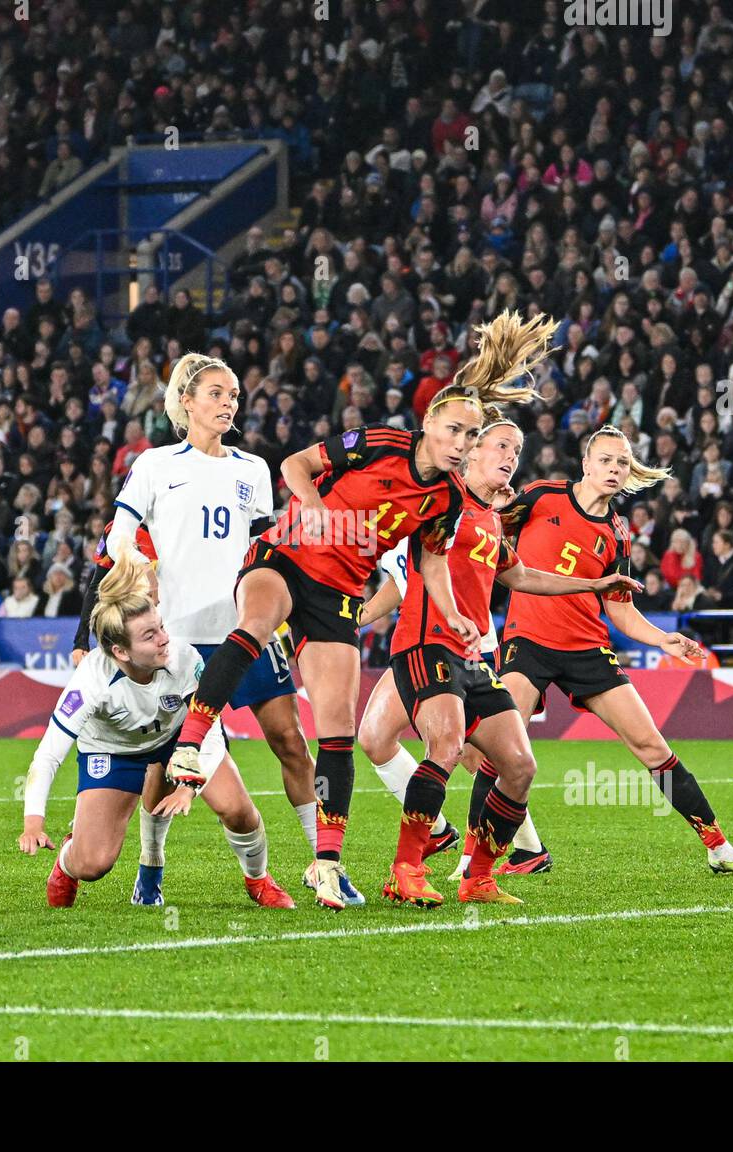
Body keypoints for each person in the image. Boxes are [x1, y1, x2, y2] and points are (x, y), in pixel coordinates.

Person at [166, 311, 548, 910]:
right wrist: (313, 505)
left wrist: (450, 615)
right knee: (256, 623)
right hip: (287, 556)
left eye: (470, 438)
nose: (460, 445)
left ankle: (325, 864)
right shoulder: (379, 442)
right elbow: (296, 464)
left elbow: (430, 563)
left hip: (338, 597)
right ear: (427, 426)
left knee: (338, 732)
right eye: (452, 432)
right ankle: (192, 739)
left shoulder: (446, 498)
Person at [358, 411, 643, 904]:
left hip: (472, 655)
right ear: (470, 450)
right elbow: (427, 560)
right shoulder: (442, 500)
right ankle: (405, 870)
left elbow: (523, 576)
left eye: (516, 450)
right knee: (444, 748)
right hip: (426, 642)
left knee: (518, 764)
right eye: (501, 446)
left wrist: (595, 584)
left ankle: (480, 877)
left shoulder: (491, 517)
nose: (511, 458)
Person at [89, 353, 322, 904]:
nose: (228, 403)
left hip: (250, 630)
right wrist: (131, 563)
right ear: (186, 402)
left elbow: (267, 550)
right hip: (179, 640)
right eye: (216, 393)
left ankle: (323, 861)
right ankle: (151, 865)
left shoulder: (253, 469)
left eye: (234, 395)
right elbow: (118, 533)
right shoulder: (155, 465)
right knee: (170, 762)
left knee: (291, 741)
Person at [495, 425, 733, 877]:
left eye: (622, 463)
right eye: (605, 460)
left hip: (587, 649)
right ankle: (492, 856)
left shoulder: (618, 536)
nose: (613, 469)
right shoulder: (541, 494)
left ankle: (718, 847)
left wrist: (663, 638)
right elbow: (490, 529)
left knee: (651, 745)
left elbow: (621, 613)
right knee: (503, 749)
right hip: (526, 642)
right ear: (586, 464)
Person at [19, 549, 294, 910]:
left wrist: (189, 784)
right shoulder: (91, 681)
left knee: (238, 811)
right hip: (114, 751)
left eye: (161, 627)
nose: (164, 638)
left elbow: (207, 726)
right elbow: (49, 753)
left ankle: (258, 879)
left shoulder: (184, 657)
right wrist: (33, 821)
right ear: (121, 651)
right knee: (93, 864)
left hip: (177, 740)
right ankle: (67, 864)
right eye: (150, 636)